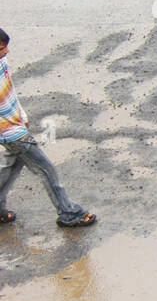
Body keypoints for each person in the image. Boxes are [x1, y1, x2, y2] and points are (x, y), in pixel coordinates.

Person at [0, 28, 96, 229]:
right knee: (47, 170)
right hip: (13, 134)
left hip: (17, 125)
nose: (6, 51)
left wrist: (22, 117)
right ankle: (68, 213)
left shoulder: (2, 62)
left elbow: (10, 93)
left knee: (9, 169)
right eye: (2, 48)